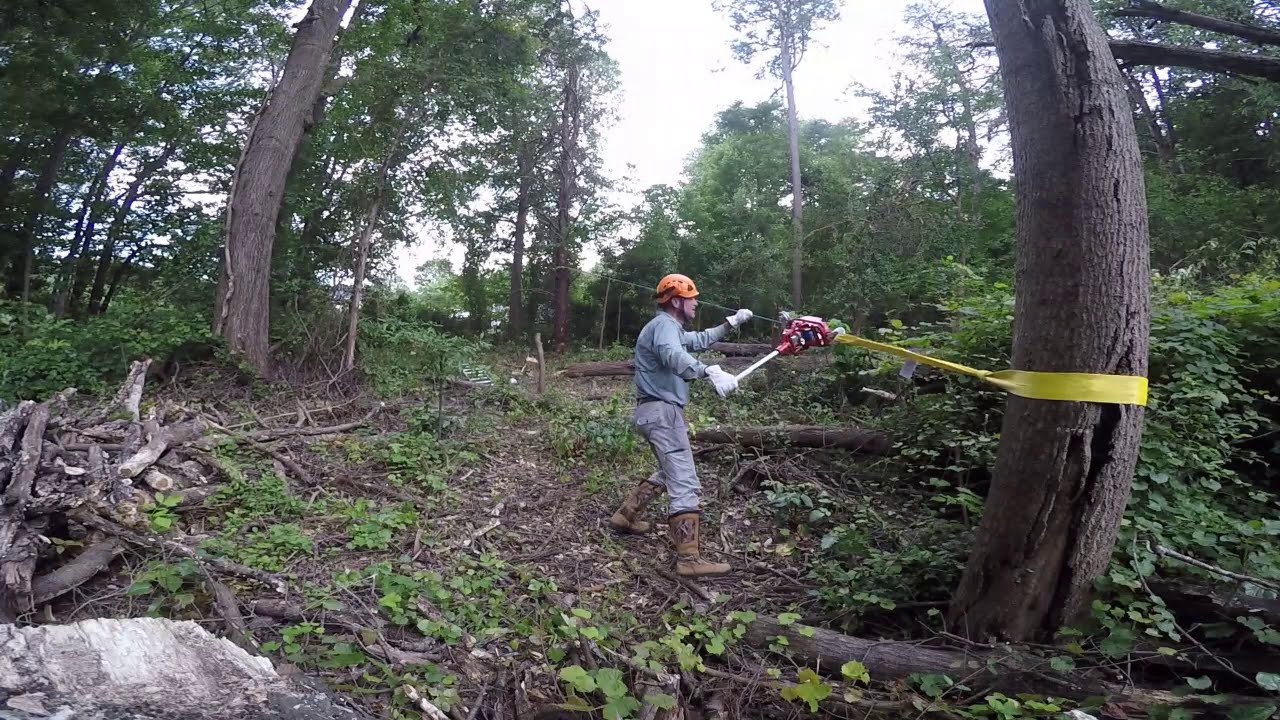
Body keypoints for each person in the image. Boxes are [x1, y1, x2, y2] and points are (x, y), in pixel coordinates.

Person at [608, 273, 752, 577]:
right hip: (662, 412)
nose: (696, 302)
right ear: (676, 301)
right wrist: (708, 371)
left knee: (668, 469)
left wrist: (730, 323)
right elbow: (674, 356)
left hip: (655, 412)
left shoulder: (669, 328)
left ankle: (625, 515)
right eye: (692, 298)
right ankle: (689, 558)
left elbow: (696, 341)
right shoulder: (663, 327)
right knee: (684, 478)